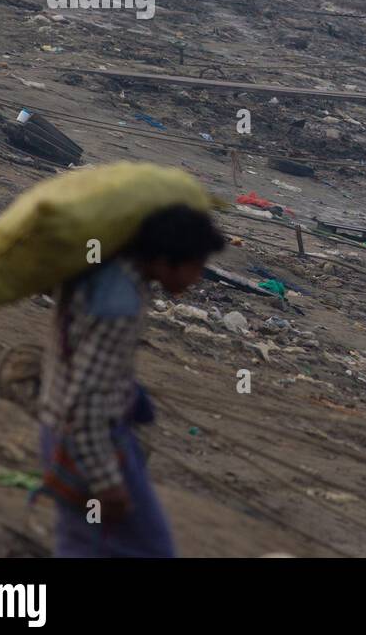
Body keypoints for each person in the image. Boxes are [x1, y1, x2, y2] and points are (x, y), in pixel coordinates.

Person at [38, 205, 226, 557]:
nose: (198, 277)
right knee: (146, 548)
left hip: (57, 429)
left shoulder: (99, 272)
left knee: (84, 541)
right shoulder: (119, 305)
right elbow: (87, 401)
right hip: (91, 443)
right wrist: (107, 481)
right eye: (196, 266)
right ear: (168, 259)